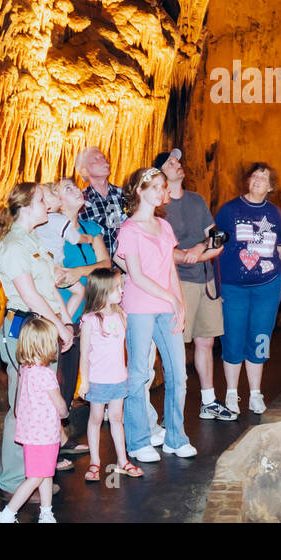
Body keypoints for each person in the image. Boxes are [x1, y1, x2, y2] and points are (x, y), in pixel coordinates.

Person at [0, 183, 75, 500]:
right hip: (25, 330)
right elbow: (30, 295)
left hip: (42, 328)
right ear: (25, 206)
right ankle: (14, 482)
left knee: (40, 406)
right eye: (42, 200)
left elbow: (51, 287)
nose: (47, 206)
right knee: (22, 407)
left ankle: (37, 476)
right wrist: (59, 326)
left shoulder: (32, 240)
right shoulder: (13, 245)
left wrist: (64, 320)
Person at [75, 145, 163, 445]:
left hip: (129, 276)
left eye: (104, 156)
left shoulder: (123, 196)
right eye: (95, 159)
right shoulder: (81, 202)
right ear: (84, 171)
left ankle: (142, 418)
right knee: (104, 342)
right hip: (101, 283)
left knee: (140, 350)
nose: (105, 160)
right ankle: (104, 406)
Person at [116, 166, 195, 462]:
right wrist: (170, 298)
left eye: (164, 186)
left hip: (166, 307)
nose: (163, 191)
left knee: (179, 374)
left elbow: (169, 269)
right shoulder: (129, 229)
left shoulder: (165, 227)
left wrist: (180, 304)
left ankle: (176, 436)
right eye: (157, 186)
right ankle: (138, 441)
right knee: (138, 374)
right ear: (140, 190)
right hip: (139, 308)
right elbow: (135, 274)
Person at [155, 148, 234, 421]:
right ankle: (170, 409)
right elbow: (167, 252)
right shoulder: (159, 208)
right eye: (171, 162)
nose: (178, 165)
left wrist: (200, 249)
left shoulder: (196, 200)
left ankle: (209, 401)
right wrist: (196, 253)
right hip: (178, 284)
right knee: (175, 347)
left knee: (206, 342)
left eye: (178, 160)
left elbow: (215, 239)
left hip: (206, 279)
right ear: (160, 173)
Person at [215, 163, 281, 415]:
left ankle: (255, 394)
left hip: (266, 287)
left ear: (270, 187)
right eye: (254, 175)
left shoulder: (274, 213)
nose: (258, 179)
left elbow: (280, 243)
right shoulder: (229, 210)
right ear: (248, 181)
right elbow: (215, 243)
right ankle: (232, 394)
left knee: (260, 337)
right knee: (233, 337)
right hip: (233, 287)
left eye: (264, 177)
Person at [48, 177, 111, 465]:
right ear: (57, 201)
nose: (76, 190)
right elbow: (54, 270)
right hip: (68, 313)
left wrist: (78, 272)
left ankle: (61, 438)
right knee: (60, 376)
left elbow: (106, 265)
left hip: (94, 311)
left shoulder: (90, 228)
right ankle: (53, 443)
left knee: (72, 378)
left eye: (76, 186)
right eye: (67, 188)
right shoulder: (50, 229)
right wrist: (75, 275)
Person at [0, 317, 69, 523]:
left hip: (31, 434)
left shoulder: (26, 371)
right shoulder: (46, 375)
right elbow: (59, 404)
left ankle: (46, 511)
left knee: (45, 473)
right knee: (36, 477)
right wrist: (64, 413)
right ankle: (7, 514)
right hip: (44, 435)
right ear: (46, 346)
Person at [77, 268, 144, 482]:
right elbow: (84, 352)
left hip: (118, 378)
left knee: (116, 419)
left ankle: (122, 460)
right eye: (117, 287)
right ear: (103, 291)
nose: (121, 290)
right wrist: (84, 381)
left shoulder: (120, 315)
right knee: (96, 419)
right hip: (98, 379)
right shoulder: (90, 320)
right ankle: (95, 462)